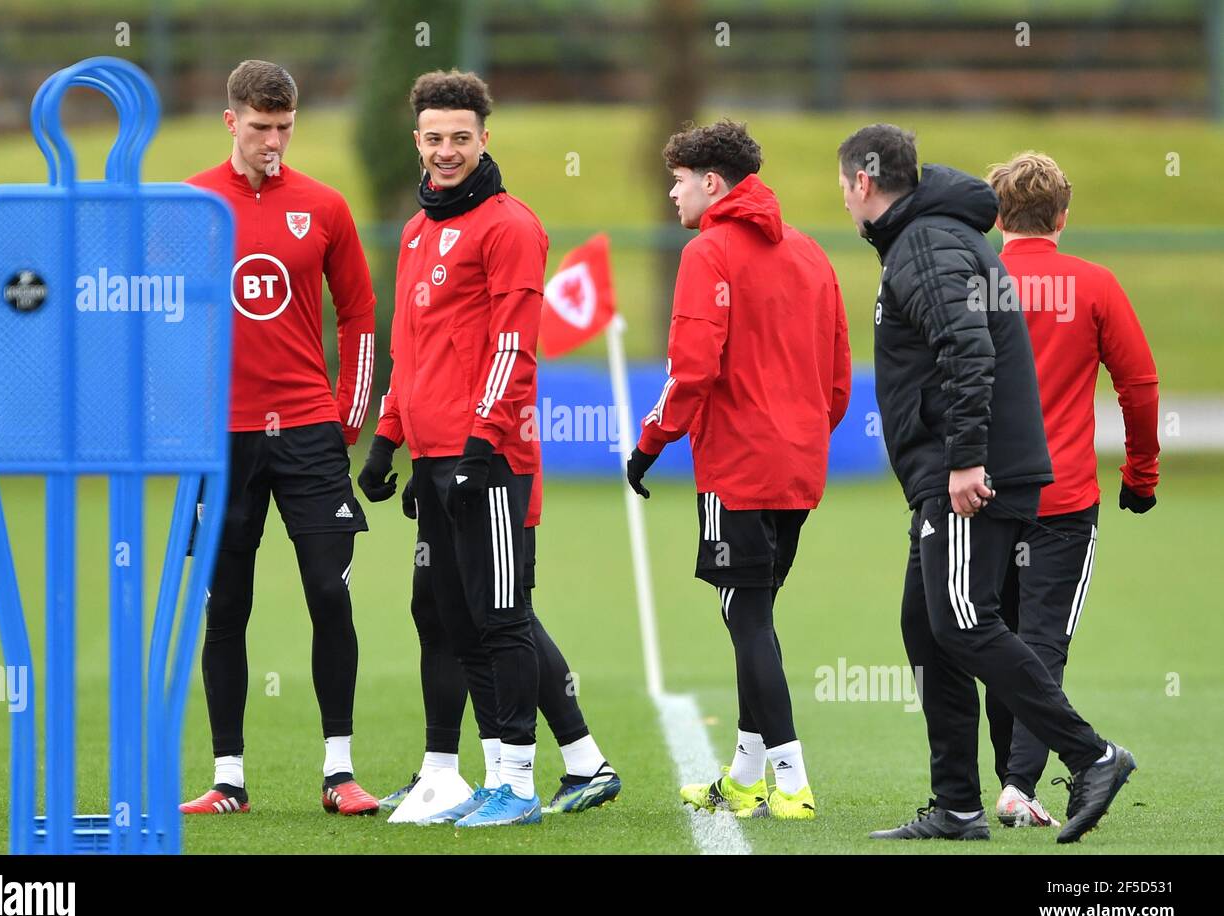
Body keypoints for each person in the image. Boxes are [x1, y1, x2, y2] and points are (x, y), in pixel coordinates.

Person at [837, 123, 1135, 843]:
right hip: (952, 470)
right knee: (929, 627)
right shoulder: (927, 235)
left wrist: (965, 459)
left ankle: (1093, 754)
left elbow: (967, 349)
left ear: (864, 183)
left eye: (843, 182)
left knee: (964, 620)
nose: (842, 197)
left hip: (970, 472)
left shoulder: (928, 243)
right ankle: (958, 805)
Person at [626, 119, 852, 820]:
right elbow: (839, 377)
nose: (672, 192)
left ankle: (791, 779)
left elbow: (691, 369)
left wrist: (649, 442)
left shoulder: (708, 253)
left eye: (679, 179)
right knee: (756, 613)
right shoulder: (813, 253)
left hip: (738, 466)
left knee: (744, 613)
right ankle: (747, 775)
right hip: (798, 465)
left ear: (712, 183)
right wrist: (805, 434)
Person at [180, 60, 379, 816]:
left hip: (307, 432)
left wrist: (345, 416)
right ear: (230, 121)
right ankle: (228, 776)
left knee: (330, 592)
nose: (272, 139)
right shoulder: (191, 205)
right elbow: (156, 314)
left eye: (284, 126)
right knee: (225, 601)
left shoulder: (324, 207)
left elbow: (359, 314)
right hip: (217, 440)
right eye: (259, 126)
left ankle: (339, 770)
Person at [358, 70, 546, 827]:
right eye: (434, 139)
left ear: (484, 139)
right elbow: (409, 352)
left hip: (488, 460)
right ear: (418, 141)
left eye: (460, 138)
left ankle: (521, 783)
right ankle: (467, 775)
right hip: (436, 457)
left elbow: (513, 347)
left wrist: (478, 443)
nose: (446, 152)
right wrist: (387, 442)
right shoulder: (415, 230)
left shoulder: (510, 226)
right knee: (446, 613)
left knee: (502, 613)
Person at [984, 151, 1159, 828]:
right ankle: (1019, 783)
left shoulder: (980, 280)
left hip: (985, 495)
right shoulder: (1094, 283)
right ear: (1062, 215)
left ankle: (1011, 777)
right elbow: (1138, 387)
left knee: (994, 636)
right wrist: (1140, 475)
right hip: (1061, 498)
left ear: (998, 216)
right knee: (1042, 640)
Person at [379, 467, 622, 819]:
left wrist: (460, 461)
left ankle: (573, 763)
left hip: (490, 482)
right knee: (440, 610)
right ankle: (455, 770)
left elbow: (492, 413)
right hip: (448, 474)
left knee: (507, 614)